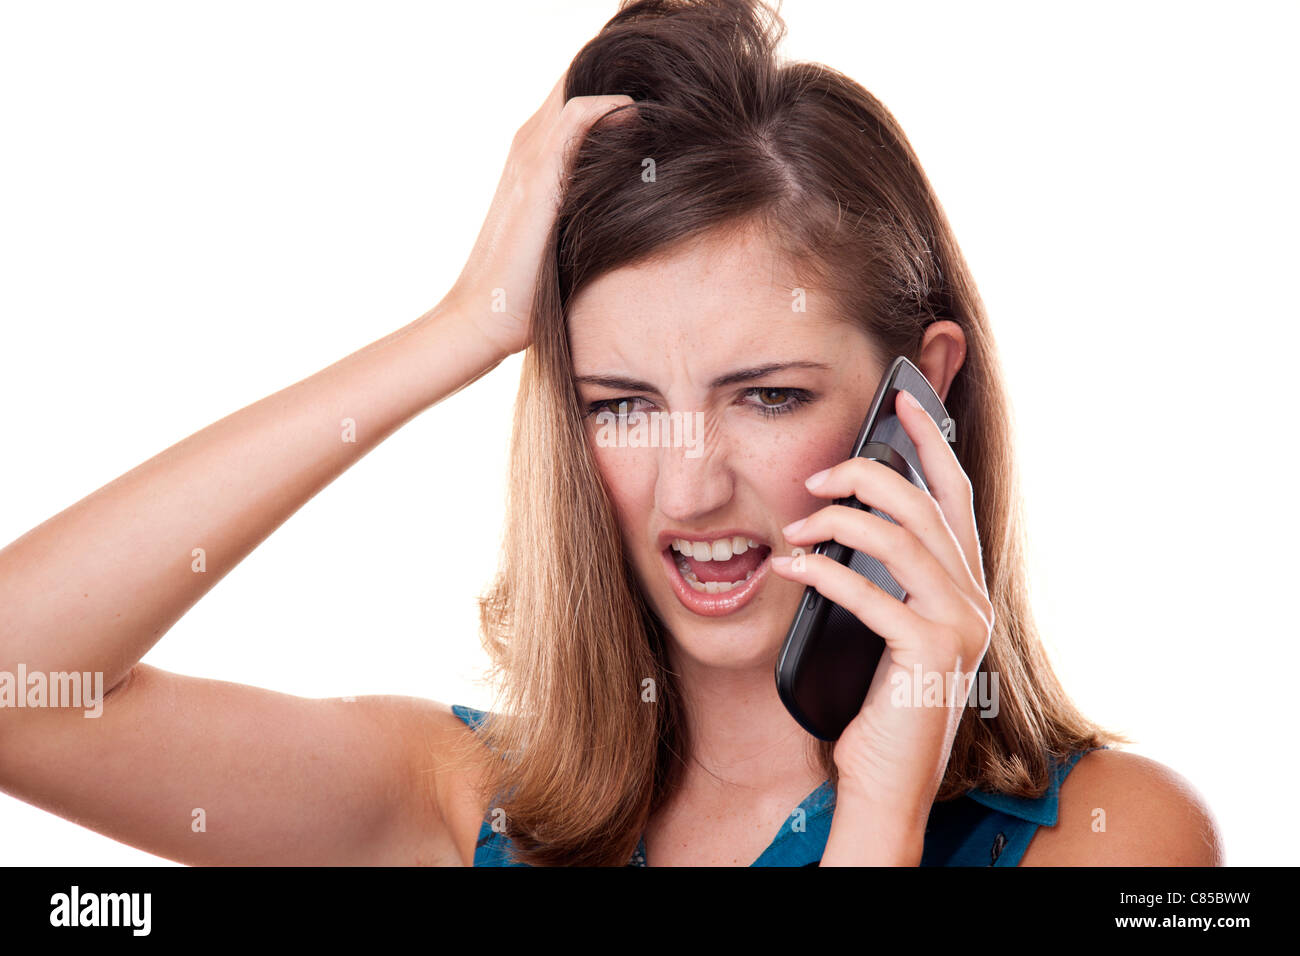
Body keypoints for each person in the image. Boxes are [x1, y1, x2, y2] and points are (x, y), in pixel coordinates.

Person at [0, 0, 1222, 866]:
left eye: (767, 394)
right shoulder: (463, 805)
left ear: (922, 396)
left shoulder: (1117, 836)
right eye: (621, 404)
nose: (689, 488)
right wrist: (462, 328)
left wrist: (884, 803)